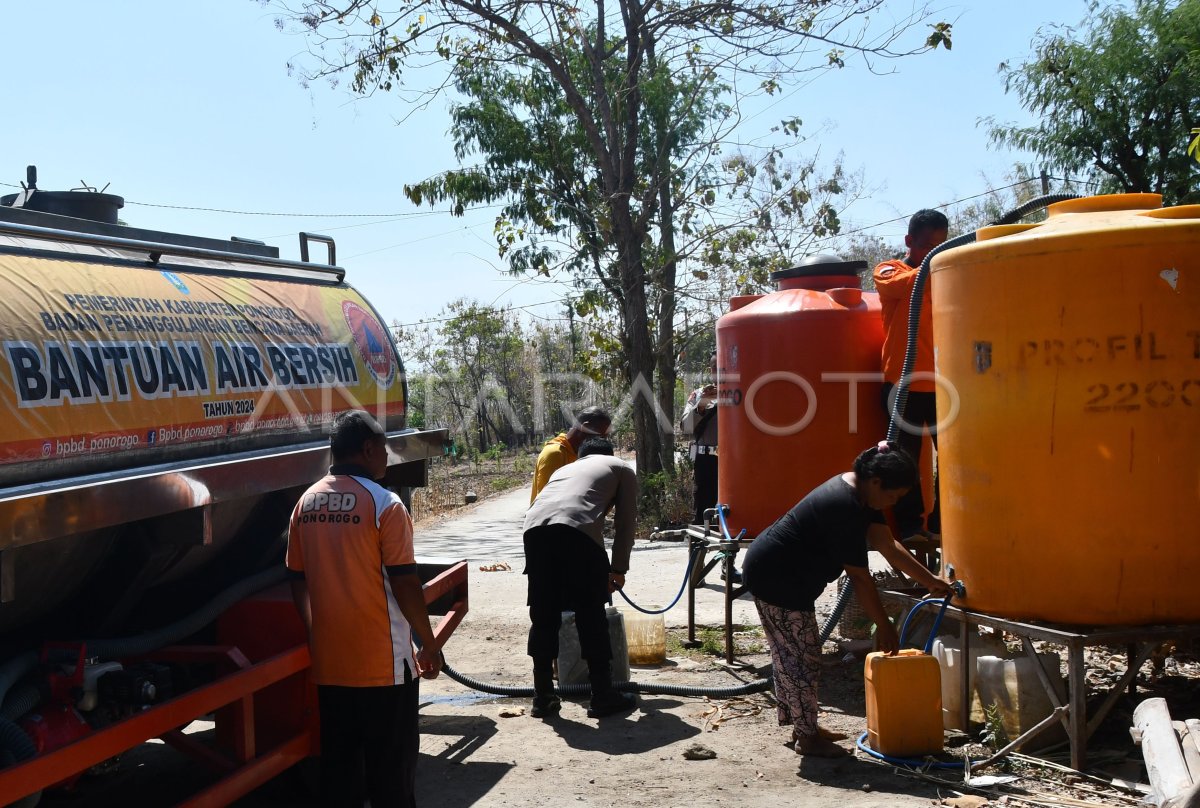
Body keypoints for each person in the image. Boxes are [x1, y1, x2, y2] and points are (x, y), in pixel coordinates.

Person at [741, 441, 951, 758]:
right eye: (893, 496)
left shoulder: (863, 495)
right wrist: (884, 625)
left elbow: (889, 547)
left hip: (780, 573)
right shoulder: (845, 506)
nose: (892, 503)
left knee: (792, 654)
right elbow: (861, 578)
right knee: (802, 656)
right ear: (877, 481)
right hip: (776, 577)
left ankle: (803, 726)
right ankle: (807, 738)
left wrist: (932, 581)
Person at [286, 410, 442, 808]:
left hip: (332, 667)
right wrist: (429, 642)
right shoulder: (384, 504)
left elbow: (297, 578)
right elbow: (406, 584)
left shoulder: (305, 504)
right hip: (384, 668)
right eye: (385, 450)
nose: (387, 459)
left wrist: (313, 632)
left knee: (341, 776)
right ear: (369, 449)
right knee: (391, 777)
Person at [522, 436, 638, 719]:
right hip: (576, 534)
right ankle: (602, 695)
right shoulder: (620, 467)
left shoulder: (565, 470)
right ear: (609, 453)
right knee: (590, 614)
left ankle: (543, 697)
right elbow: (626, 523)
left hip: (534, 532)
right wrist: (618, 569)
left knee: (544, 614)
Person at [874, 208, 949, 539]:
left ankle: (942, 525)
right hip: (901, 384)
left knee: (950, 460)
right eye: (928, 245)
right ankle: (909, 528)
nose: (935, 250)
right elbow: (907, 283)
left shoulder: (945, 275)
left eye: (941, 244)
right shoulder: (889, 270)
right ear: (909, 241)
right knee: (903, 461)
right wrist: (940, 262)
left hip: (942, 385)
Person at [679, 351, 741, 583]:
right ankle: (696, 570)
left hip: (734, 462)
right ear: (709, 370)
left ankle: (728, 566)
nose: (719, 373)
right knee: (701, 515)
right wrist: (702, 406)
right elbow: (685, 428)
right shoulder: (698, 395)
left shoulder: (740, 393)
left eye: (724, 368)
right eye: (715, 368)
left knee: (730, 514)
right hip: (706, 462)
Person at [529, 406, 612, 503]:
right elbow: (545, 501)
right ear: (585, 427)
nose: (601, 442)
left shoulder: (580, 451)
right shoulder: (555, 454)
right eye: (600, 436)